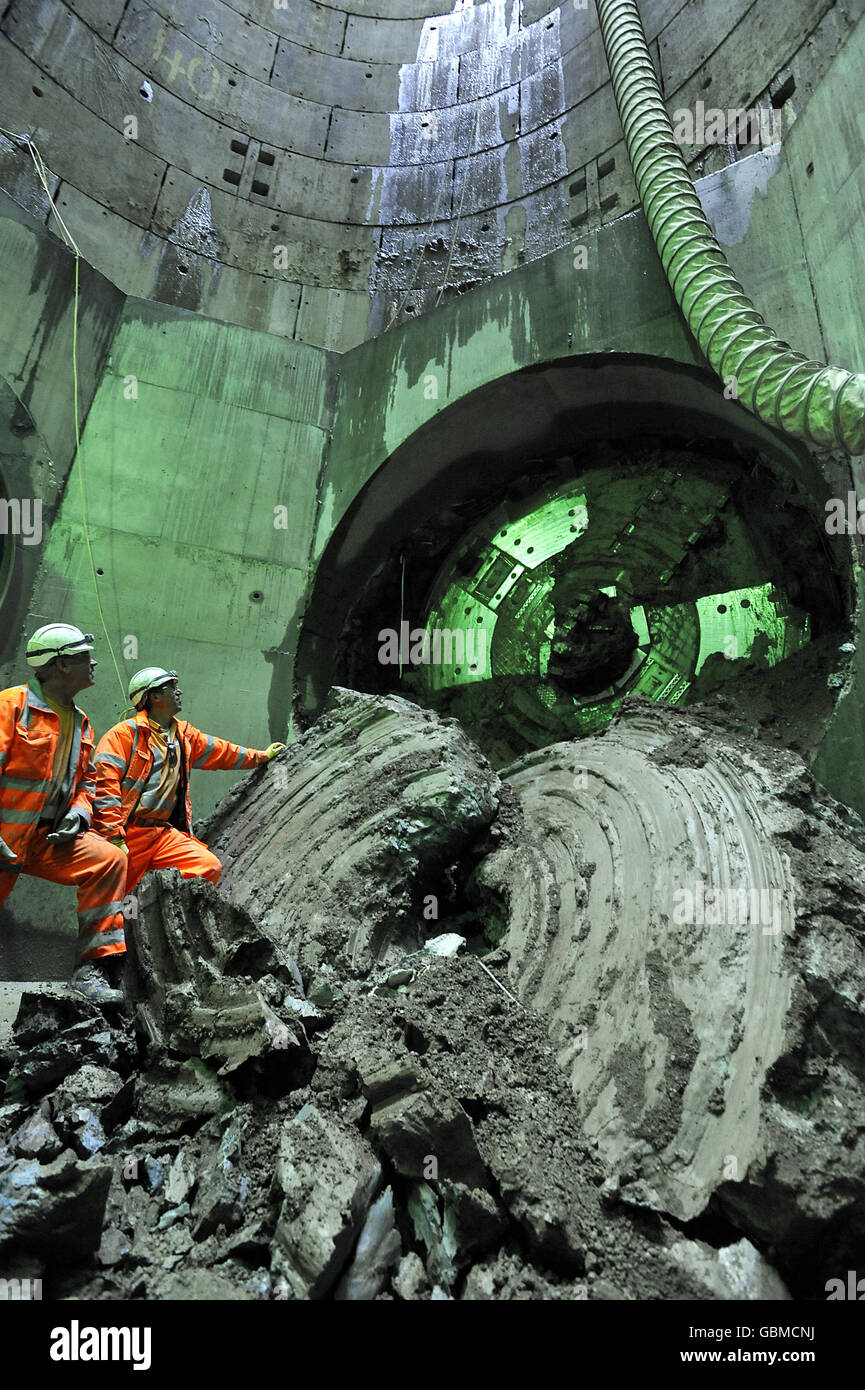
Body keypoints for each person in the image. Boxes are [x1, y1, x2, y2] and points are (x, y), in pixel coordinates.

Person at [0, 624, 127, 1004]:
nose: (95, 663)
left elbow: (86, 782)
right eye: (86, 657)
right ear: (61, 665)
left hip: (45, 839)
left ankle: (91, 971)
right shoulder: (12, 707)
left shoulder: (80, 721)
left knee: (110, 860)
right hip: (3, 837)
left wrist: (78, 812)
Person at [93, 667, 284, 896]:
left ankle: (163, 913)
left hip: (162, 834)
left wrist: (261, 757)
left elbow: (223, 752)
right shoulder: (123, 735)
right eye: (172, 688)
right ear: (154, 696)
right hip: (128, 835)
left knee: (207, 866)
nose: (179, 691)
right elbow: (104, 786)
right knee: (106, 901)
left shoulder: (184, 735)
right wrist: (113, 837)